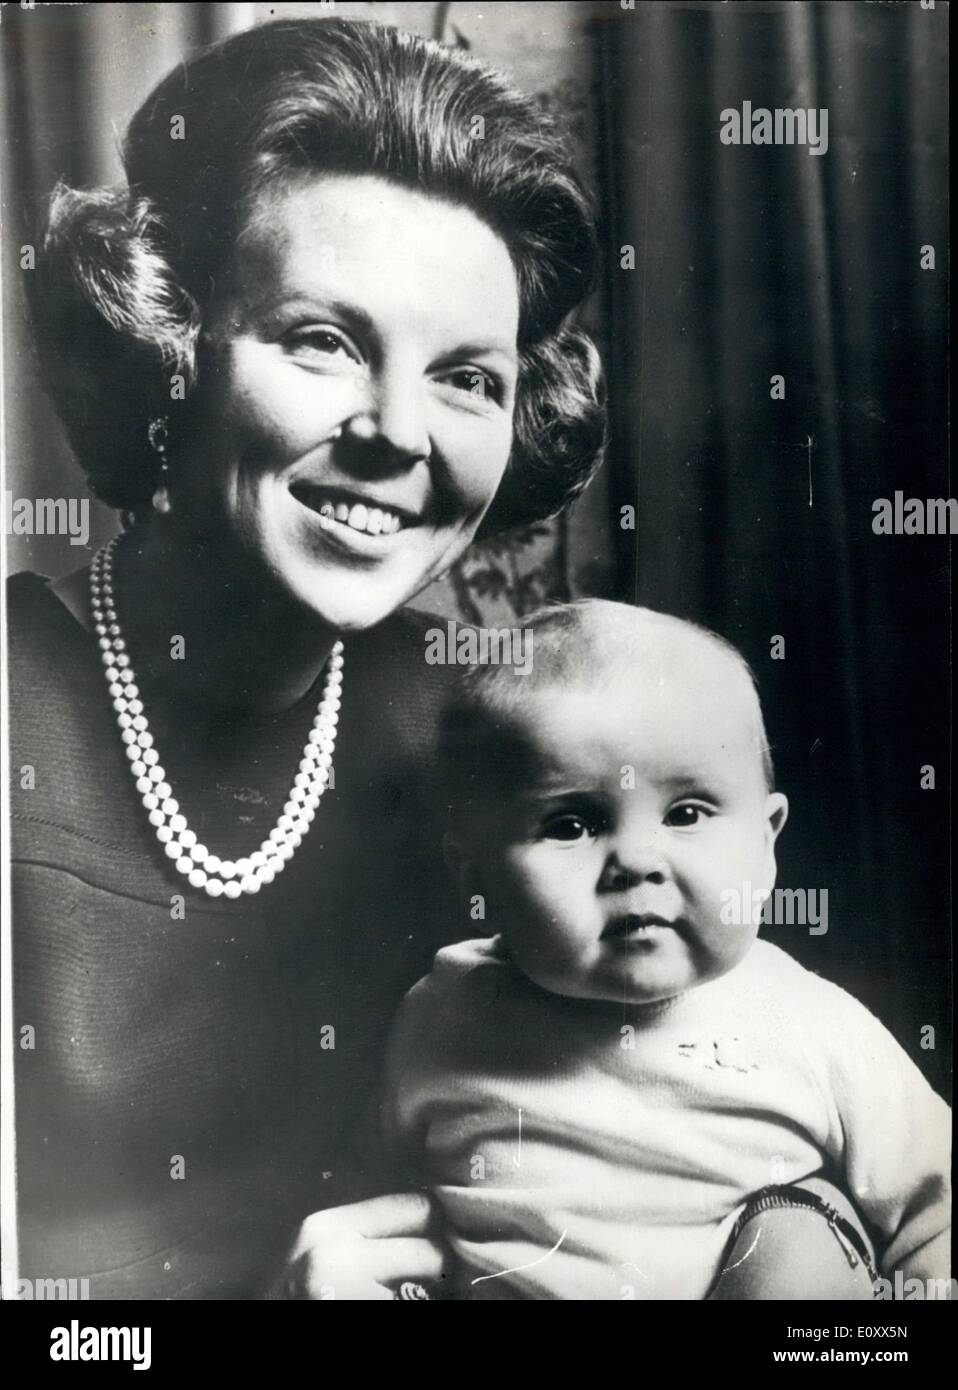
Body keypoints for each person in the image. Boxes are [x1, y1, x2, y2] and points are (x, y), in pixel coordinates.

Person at [8, 17, 604, 1299]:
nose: (398, 434)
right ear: (167, 344)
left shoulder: (480, 734)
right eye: (322, 341)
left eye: (468, 379)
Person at [377, 600, 951, 1299]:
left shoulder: (809, 1024)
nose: (638, 861)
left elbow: (937, 1212)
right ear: (475, 874)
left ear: (766, 845)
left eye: (687, 813)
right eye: (570, 823)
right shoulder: (444, 1015)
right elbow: (384, 1196)